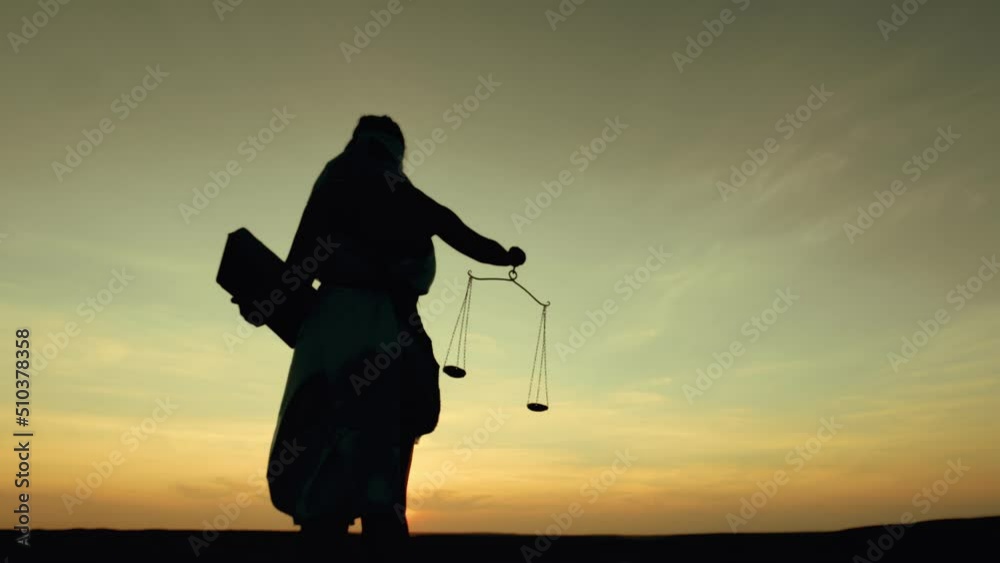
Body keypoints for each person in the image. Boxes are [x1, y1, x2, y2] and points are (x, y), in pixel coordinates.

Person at [248, 115, 525, 561]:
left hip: (330, 332)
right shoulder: (401, 191)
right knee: (383, 473)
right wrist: (503, 255)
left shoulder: (337, 179)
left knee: (324, 465)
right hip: (386, 336)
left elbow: (299, 261)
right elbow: (458, 231)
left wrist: (268, 300)